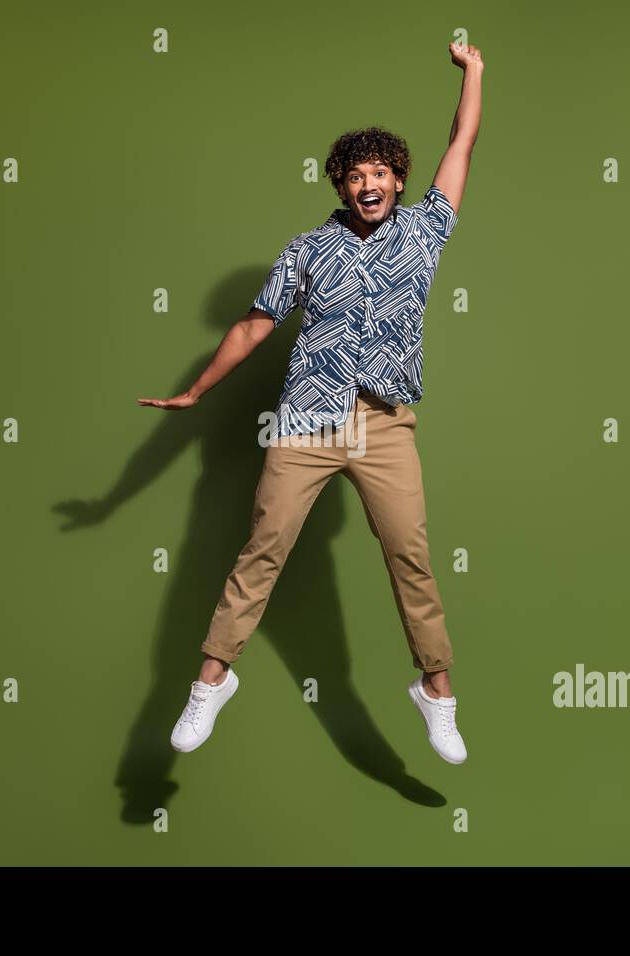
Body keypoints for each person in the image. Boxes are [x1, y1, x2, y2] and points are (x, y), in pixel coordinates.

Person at [138, 41, 484, 765]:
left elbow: (463, 142)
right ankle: (211, 680)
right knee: (263, 548)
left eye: (380, 173)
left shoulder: (424, 232)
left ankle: (437, 694)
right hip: (305, 422)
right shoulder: (307, 249)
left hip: (385, 422)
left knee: (410, 553)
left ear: (398, 180)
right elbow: (255, 323)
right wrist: (196, 390)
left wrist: (473, 74)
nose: (368, 185)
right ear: (339, 184)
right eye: (355, 175)